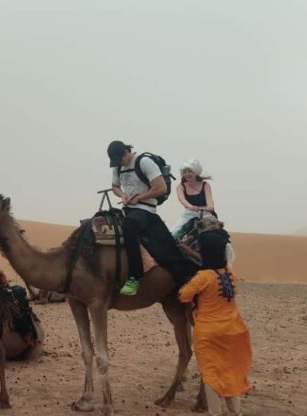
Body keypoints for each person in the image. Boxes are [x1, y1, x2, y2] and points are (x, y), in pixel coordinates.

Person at [178, 230, 252, 416]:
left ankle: (215, 412)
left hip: (208, 333)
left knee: (211, 373)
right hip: (233, 329)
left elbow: (184, 296)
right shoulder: (230, 272)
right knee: (229, 371)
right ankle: (236, 412)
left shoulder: (203, 277)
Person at [107, 140, 184, 296]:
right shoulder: (118, 166)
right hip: (127, 208)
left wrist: (140, 197)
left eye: (119, 159)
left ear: (126, 153)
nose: (118, 163)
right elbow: (115, 186)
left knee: (129, 226)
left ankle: (134, 276)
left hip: (145, 210)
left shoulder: (144, 162)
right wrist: (122, 195)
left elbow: (161, 188)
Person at [170, 159, 216, 240]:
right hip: (189, 214)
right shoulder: (180, 186)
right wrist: (190, 207)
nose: (187, 174)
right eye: (184, 172)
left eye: (190, 171)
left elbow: (210, 202)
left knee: (219, 236)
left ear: (195, 172)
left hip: (206, 214)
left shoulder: (205, 185)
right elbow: (182, 199)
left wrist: (210, 207)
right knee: (173, 233)